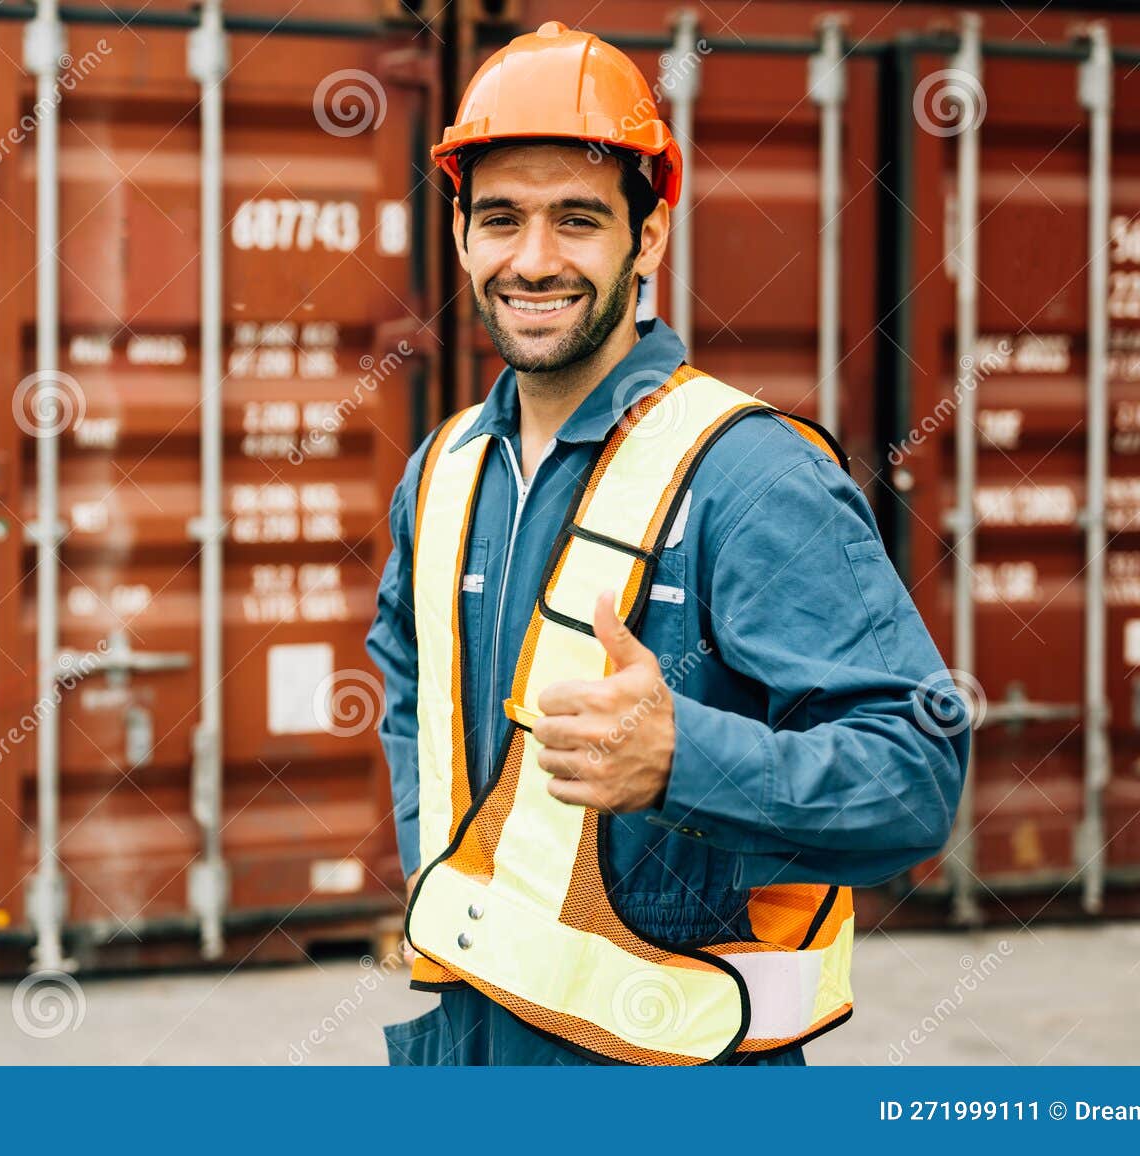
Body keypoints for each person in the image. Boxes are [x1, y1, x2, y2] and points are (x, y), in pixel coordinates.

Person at [365, 21, 967, 1066]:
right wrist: (445, 865)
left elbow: (913, 778)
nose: (533, 259)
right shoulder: (446, 469)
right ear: (461, 235)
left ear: (645, 240)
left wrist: (686, 758)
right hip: (463, 1051)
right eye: (500, 218)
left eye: (578, 219)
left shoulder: (750, 476)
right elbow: (408, 689)